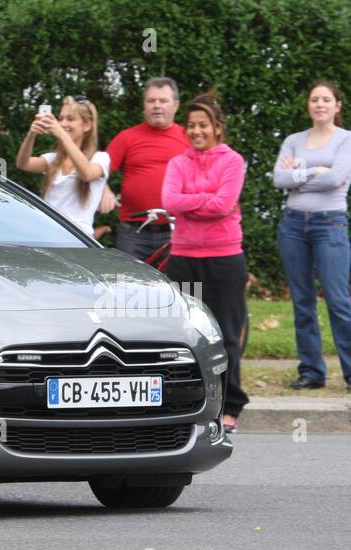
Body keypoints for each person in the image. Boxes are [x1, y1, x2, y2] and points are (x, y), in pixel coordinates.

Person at [161, 95, 249, 433]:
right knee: (184, 334)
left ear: (217, 128)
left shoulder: (233, 161)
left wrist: (191, 204)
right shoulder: (178, 163)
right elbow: (170, 201)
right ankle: (189, 401)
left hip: (224, 258)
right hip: (184, 258)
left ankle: (230, 406)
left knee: (226, 335)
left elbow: (224, 203)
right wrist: (206, 202)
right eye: (192, 125)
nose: (196, 131)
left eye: (203, 125)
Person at [272, 80, 351, 390]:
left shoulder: (346, 140)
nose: (320, 104)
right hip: (292, 226)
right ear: (308, 105)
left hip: (329, 224)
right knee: (302, 301)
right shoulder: (294, 140)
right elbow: (279, 179)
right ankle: (312, 372)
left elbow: (336, 178)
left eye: (326, 99)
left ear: (337, 106)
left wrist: (299, 177)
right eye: (314, 99)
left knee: (338, 300)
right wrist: (314, 172)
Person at [107, 77, 190, 260]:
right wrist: (105, 191)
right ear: (144, 106)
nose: (157, 106)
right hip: (133, 231)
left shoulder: (189, 138)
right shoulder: (126, 137)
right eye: (151, 101)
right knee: (128, 286)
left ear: (176, 105)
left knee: (176, 286)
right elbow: (97, 172)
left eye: (163, 101)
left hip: (177, 229)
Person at [15, 96, 109, 236]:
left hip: (77, 240)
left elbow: (87, 174)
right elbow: (23, 163)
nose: (63, 123)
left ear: (87, 125)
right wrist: (31, 134)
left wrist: (61, 134)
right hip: (46, 235)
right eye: (61, 118)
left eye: (70, 119)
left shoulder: (100, 158)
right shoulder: (53, 159)